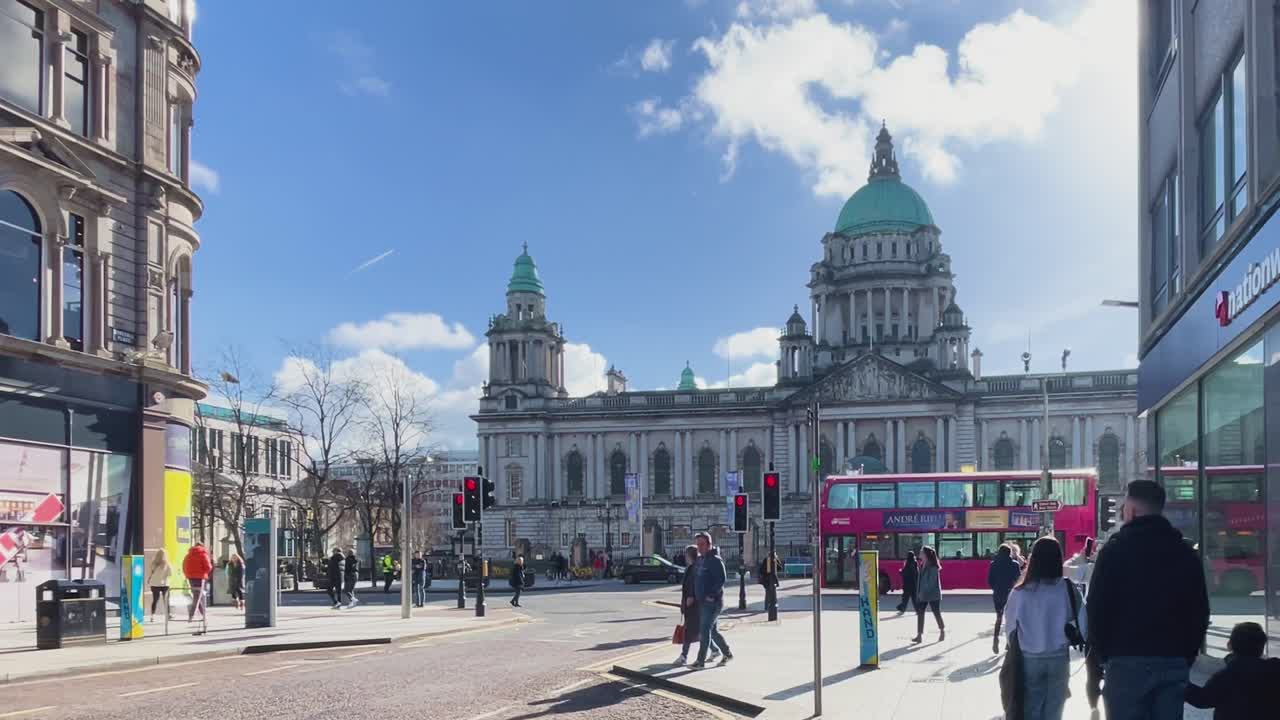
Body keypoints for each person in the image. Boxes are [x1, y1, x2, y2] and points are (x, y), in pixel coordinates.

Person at [1087, 480, 1209, 720]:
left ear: (1131, 510)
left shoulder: (1113, 552)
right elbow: (1200, 611)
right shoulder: (1185, 553)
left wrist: (1104, 657)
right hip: (1172, 660)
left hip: (1125, 661)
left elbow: (1096, 609)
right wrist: (1186, 656)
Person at [1002, 536, 1087, 720]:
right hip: (1059, 659)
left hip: (1029, 659)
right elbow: (1084, 625)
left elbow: (1009, 630)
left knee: (1031, 710)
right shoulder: (1068, 588)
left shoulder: (1020, 592)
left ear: (1034, 560)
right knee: (1054, 713)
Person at [1185, 621, 1280, 719]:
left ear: (1230, 645)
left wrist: (1182, 684)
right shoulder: (1275, 670)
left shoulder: (1227, 676)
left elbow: (1203, 699)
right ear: (1262, 646)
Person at [691, 532, 732, 668]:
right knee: (712, 631)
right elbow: (697, 579)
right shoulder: (700, 559)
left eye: (702, 544)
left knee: (704, 631)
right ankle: (727, 654)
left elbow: (721, 580)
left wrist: (712, 596)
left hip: (712, 603)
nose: (699, 547)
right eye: (698, 545)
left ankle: (700, 661)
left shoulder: (715, 560)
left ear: (709, 544)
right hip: (702, 601)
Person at [675, 544, 714, 665]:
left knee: (689, 631)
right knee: (699, 631)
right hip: (691, 604)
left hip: (693, 604)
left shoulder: (695, 568)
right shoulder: (692, 567)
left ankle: (683, 656)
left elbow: (694, 583)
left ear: (689, 555)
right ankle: (715, 649)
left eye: (686, 554)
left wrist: (691, 596)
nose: (685, 557)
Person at [987, 544, 1022, 654]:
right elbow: (1019, 580)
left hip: (998, 594)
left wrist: (996, 588)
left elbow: (990, 581)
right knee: (1011, 619)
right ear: (1009, 553)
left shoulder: (993, 564)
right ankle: (1008, 643)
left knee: (999, 617)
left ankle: (995, 638)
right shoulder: (1015, 564)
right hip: (1011, 594)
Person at [911, 545, 944, 644]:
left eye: (921, 552)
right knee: (920, 613)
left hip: (933, 594)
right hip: (922, 594)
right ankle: (919, 635)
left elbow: (931, 582)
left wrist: (923, 592)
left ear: (925, 554)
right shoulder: (922, 564)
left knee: (936, 612)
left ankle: (942, 630)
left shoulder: (933, 565)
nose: (919, 553)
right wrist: (919, 593)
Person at [182, 542, 212, 626]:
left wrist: (188, 574)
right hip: (201, 578)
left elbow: (184, 566)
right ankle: (191, 615)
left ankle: (203, 614)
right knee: (198, 596)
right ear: (202, 546)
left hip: (191, 578)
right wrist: (205, 573)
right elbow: (209, 567)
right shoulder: (203, 554)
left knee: (197, 595)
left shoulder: (188, 555)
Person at [147, 548, 172, 622]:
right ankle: (167, 615)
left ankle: (152, 616)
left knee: (155, 600)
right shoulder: (167, 564)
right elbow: (170, 573)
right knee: (166, 600)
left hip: (154, 584)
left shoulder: (153, 563)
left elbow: (150, 572)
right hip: (164, 583)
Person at [758, 550, 780, 614]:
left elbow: (779, 568)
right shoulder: (766, 560)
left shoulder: (775, 560)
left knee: (772, 593)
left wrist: (776, 561)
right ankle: (767, 607)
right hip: (767, 579)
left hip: (771, 579)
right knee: (769, 593)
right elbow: (762, 570)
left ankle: (771, 606)